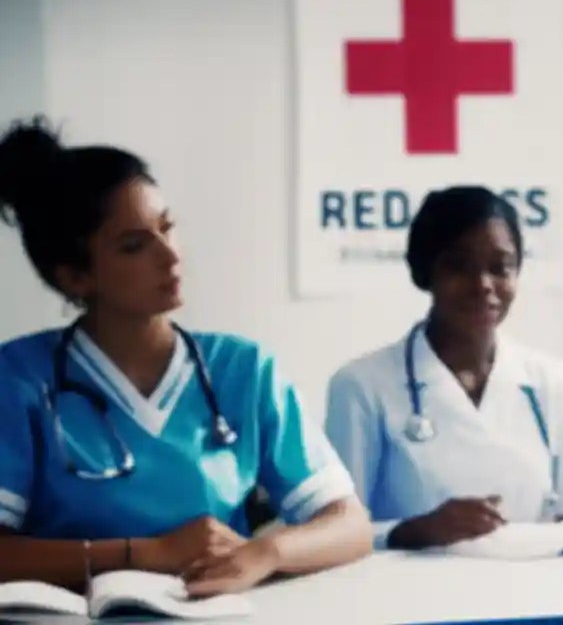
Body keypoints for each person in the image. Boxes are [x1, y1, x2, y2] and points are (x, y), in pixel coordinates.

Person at [0, 118, 372, 594]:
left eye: (167, 227)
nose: (170, 256)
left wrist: (263, 552)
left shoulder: (243, 370)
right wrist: (143, 554)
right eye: (134, 246)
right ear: (75, 277)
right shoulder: (21, 378)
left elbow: (350, 524)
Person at [324, 185, 563, 550]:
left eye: (501, 268)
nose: (483, 285)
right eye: (459, 265)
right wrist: (416, 530)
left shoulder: (553, 382)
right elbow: (330, 533)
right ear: (424, 272)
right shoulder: (362, 386)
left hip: (535, 595)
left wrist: (557, 534)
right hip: (412, 599)